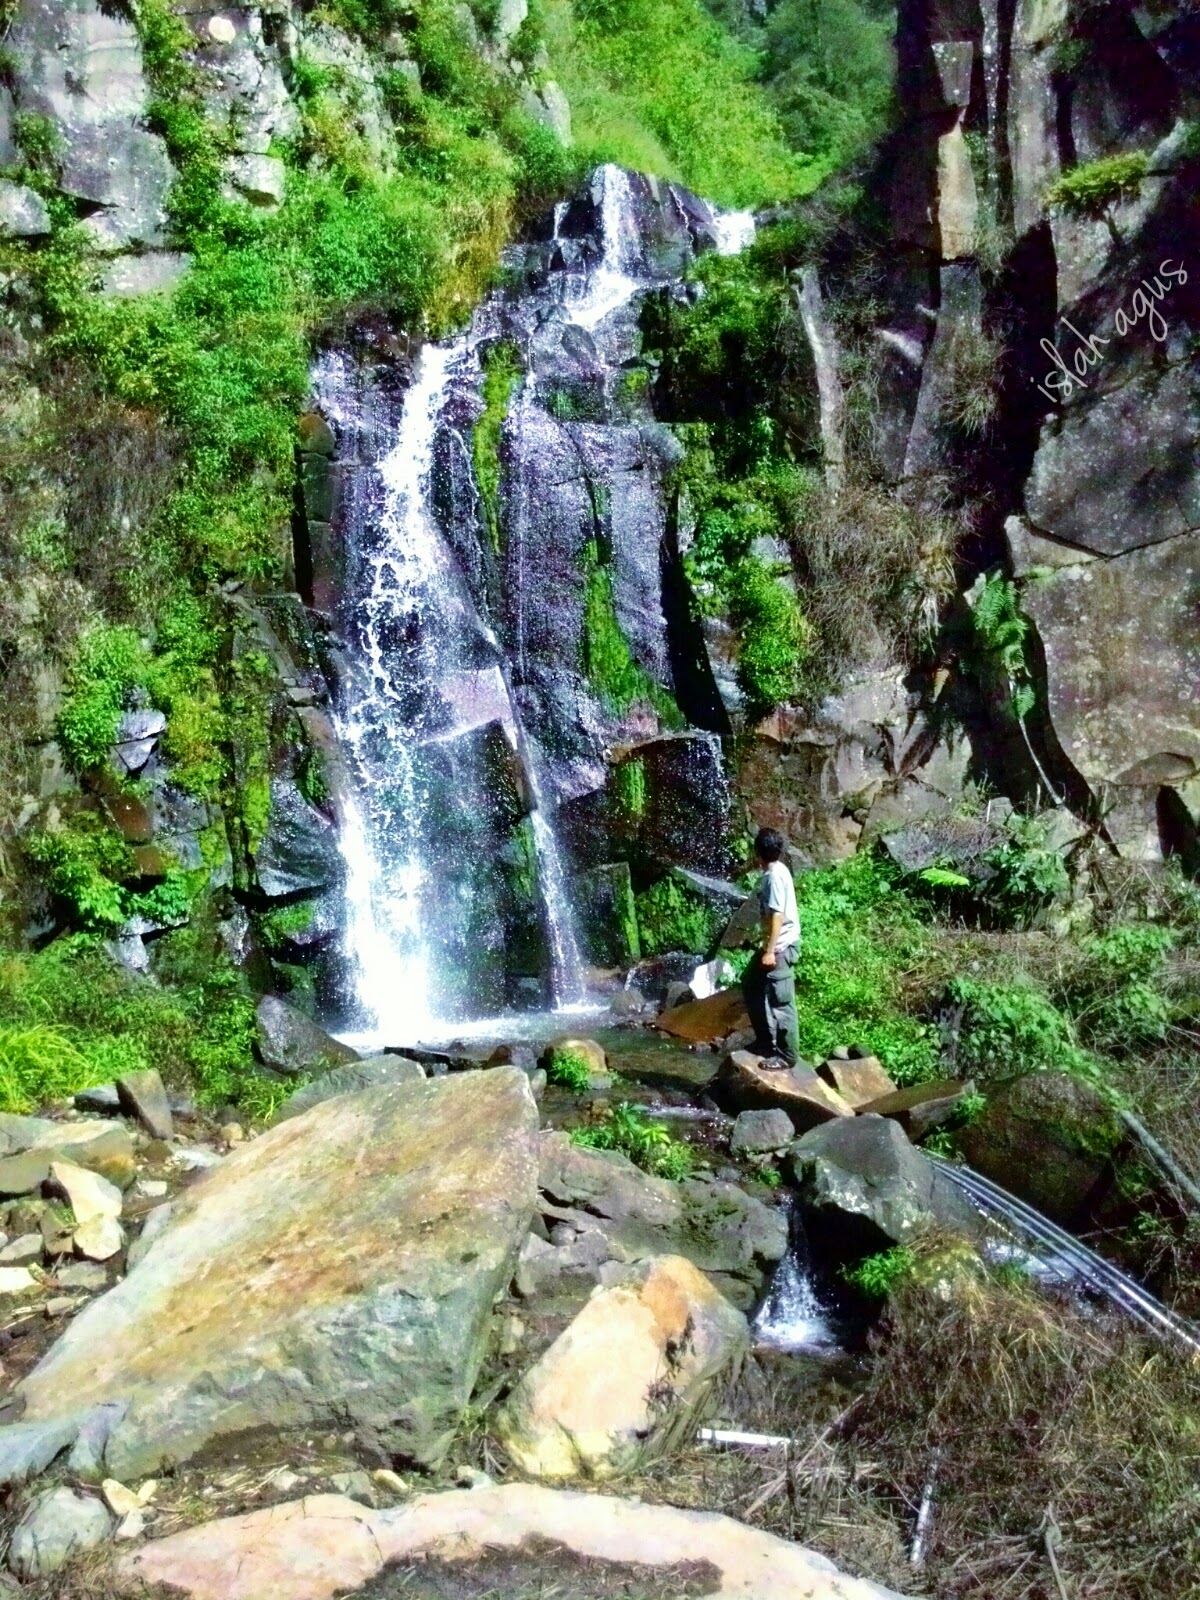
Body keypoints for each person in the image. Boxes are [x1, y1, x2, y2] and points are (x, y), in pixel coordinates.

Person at [742, 827, 800, 1069]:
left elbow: (777, 915)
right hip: (775, 943)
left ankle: (787, 1056)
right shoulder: (776, 870)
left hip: (781, 947)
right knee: (751, 982)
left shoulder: (775, 877)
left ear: (758, 852)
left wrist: (769, 950)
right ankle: (765, 1041)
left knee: (781, 1001)